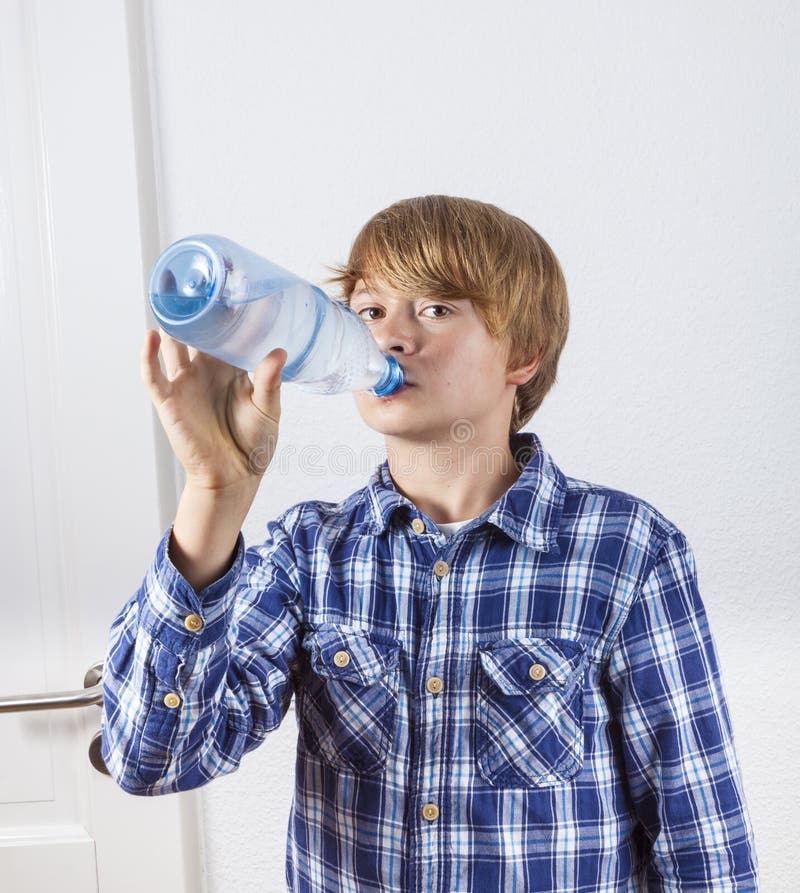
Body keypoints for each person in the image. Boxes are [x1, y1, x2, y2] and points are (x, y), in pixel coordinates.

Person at [101, 196, 759, 892]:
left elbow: (700, 837)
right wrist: (214, 494)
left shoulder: (626, 551)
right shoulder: (309, 552)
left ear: (525, 354)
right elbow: (153, 759)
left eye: (437, 309)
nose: (392, 337)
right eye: (370, 310)